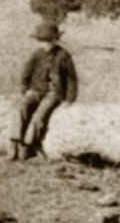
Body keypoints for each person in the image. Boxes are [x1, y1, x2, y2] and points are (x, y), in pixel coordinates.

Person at [11, 20, 78, 160]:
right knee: (21, 108)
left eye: (48, 41)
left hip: (54, 93)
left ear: (55, 40)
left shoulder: (64, 56)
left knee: (39, 117)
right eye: (42, 41)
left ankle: (31, 146)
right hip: (35, 90)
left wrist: (70, 98)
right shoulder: (36, 54)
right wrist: (25, 89)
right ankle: (15, 145)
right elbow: (26, 73)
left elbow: (72, 78)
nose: (45, 44)